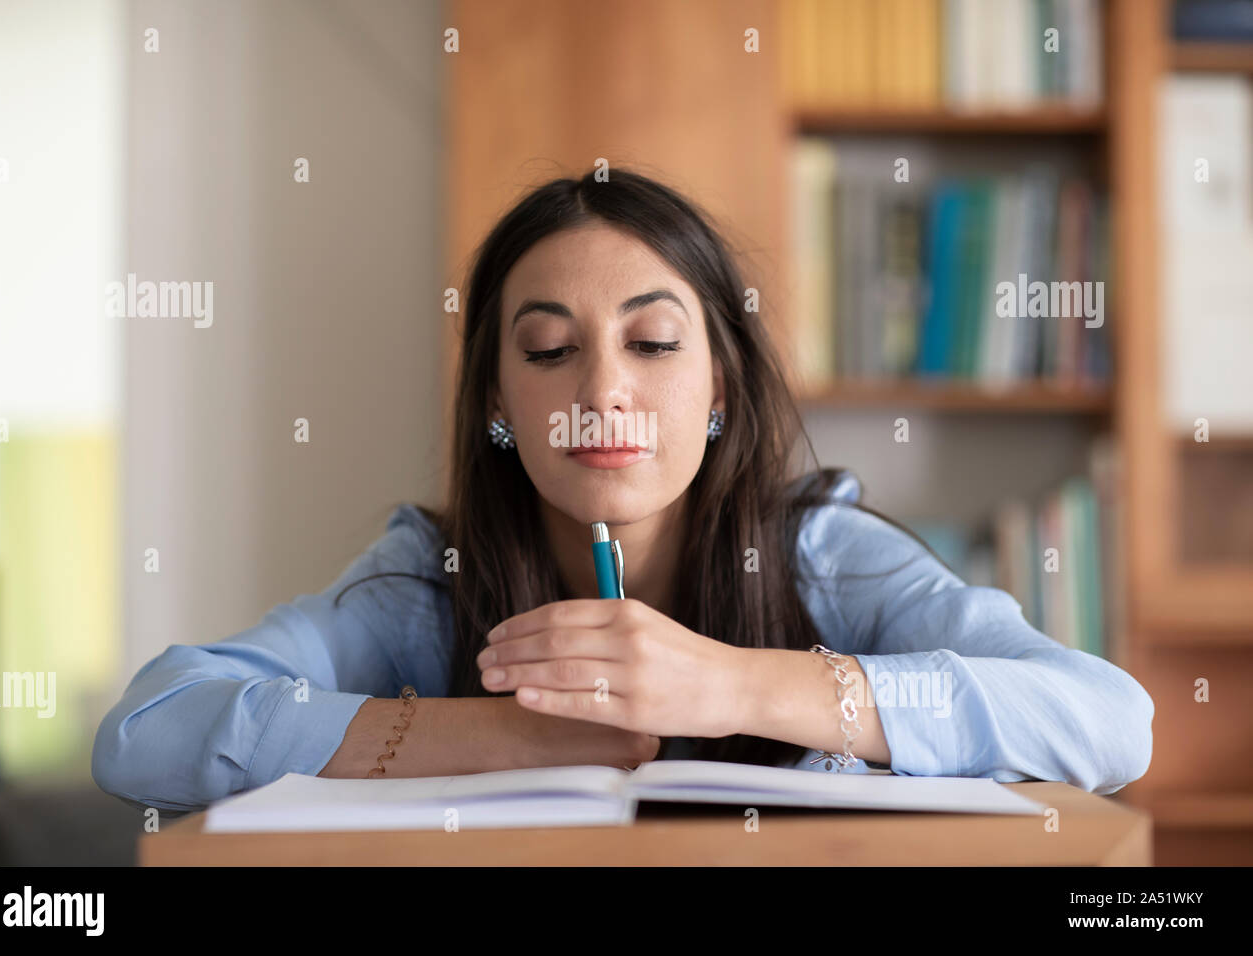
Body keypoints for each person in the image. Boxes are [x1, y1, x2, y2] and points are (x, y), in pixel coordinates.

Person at [92, 167, 1153, 812]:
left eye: (651, 341)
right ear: (497, 404)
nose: (604, 390)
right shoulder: (428, 576)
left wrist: (729, 683)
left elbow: (1106, 721)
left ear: (719, 388)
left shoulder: (819, 550)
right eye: (550, 350)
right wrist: (499, 738)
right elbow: (149, 724)